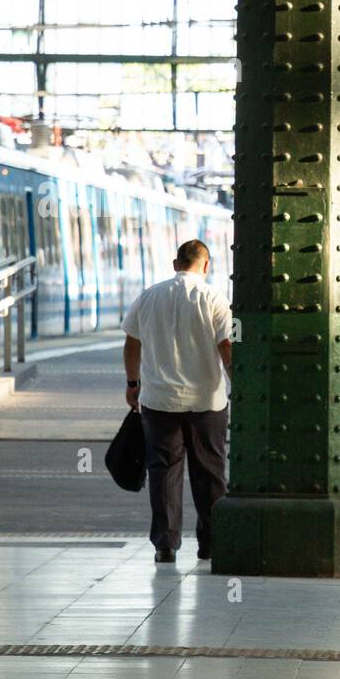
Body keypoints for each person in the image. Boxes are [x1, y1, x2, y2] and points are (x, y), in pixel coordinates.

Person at [122, 240, 233, 565]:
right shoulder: (215, 298)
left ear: (175, 263)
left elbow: (131, 341)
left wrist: (132, 383)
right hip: (206, 404)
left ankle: (165, 545)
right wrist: (235, 379)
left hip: (159, 402)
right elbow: (227, 345)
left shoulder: (149, 295)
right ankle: (211, 545)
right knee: (210, 474)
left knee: (164, 474)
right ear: (206, 265)